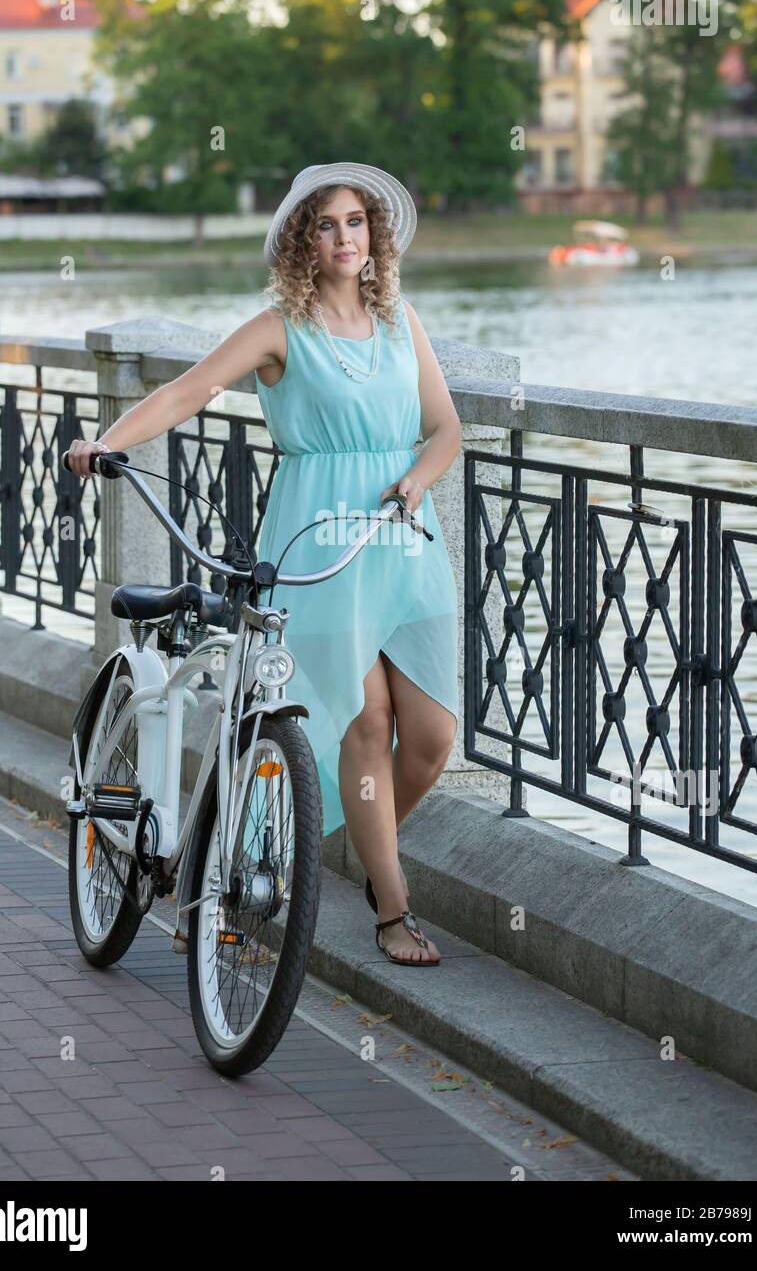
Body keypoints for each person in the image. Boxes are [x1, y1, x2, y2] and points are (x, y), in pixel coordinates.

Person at [67, 161, 462, 965]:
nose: (345, 237)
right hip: (317, 538)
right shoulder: (282, 327)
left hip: (401, 542)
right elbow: (188, 391)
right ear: (302, 240)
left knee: (429, 738)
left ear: (374, 234)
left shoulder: (400, 322)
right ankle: (392, 907)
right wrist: (107, 443)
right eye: (327, 225)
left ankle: (348, 844)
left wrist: (418, 480)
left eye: (356, 222)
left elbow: (445, 428)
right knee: (365, 719)